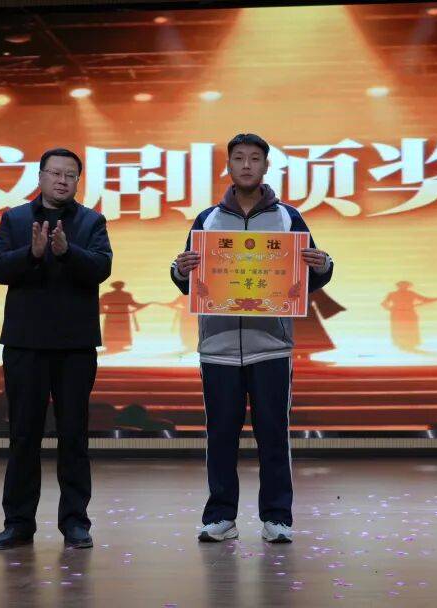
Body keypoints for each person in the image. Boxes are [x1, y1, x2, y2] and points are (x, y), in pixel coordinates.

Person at [170, 133, 333, 544]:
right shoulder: (207, 220)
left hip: (271, 348)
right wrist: (179, 269)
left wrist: (322, 264)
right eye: (239, 158)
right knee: (220, 437)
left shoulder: (288, 218)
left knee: (273, 435)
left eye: (255, 158)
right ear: (228, 166)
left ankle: (277, 518)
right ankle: (221, 517)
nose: (246, 165)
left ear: (265, 166)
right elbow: (188, 278)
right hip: (218, 348)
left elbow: (310, 276)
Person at [0, 147, 112, 550]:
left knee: (74, 436)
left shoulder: (92, 221)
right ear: (40, 177)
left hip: (75, 346)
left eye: (70, 175)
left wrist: (66, 252)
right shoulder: (15, 219)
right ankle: (18, 523)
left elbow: (102, 268)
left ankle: (75, 522)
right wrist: (33, 254)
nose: (62, 180)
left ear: (78, 181)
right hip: (24, 344)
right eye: (55, 173)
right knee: (24, 436)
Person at [381, 281, 437, 351]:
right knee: (399, 329)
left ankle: (409, 345)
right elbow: (383, 304)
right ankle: (402, 345)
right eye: (402, 286)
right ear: (398, 286)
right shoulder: (392, 294)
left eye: (406, 286)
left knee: (410, 329)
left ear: (408, 286)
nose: (404, 287)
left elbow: (425, 300)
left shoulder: (411, 294)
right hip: (398, 315)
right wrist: (391, 309)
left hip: (409, 314)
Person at [98, 281, 149, 353]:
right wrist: (144, 305)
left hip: (112, 315)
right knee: (121, 329)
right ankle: (119, 345)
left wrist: (104, 310)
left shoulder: (108, 295)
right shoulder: (126, 295)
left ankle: (113, 345)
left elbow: (99, 303)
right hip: (122, 315)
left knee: (112, 329)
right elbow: (134, 304)